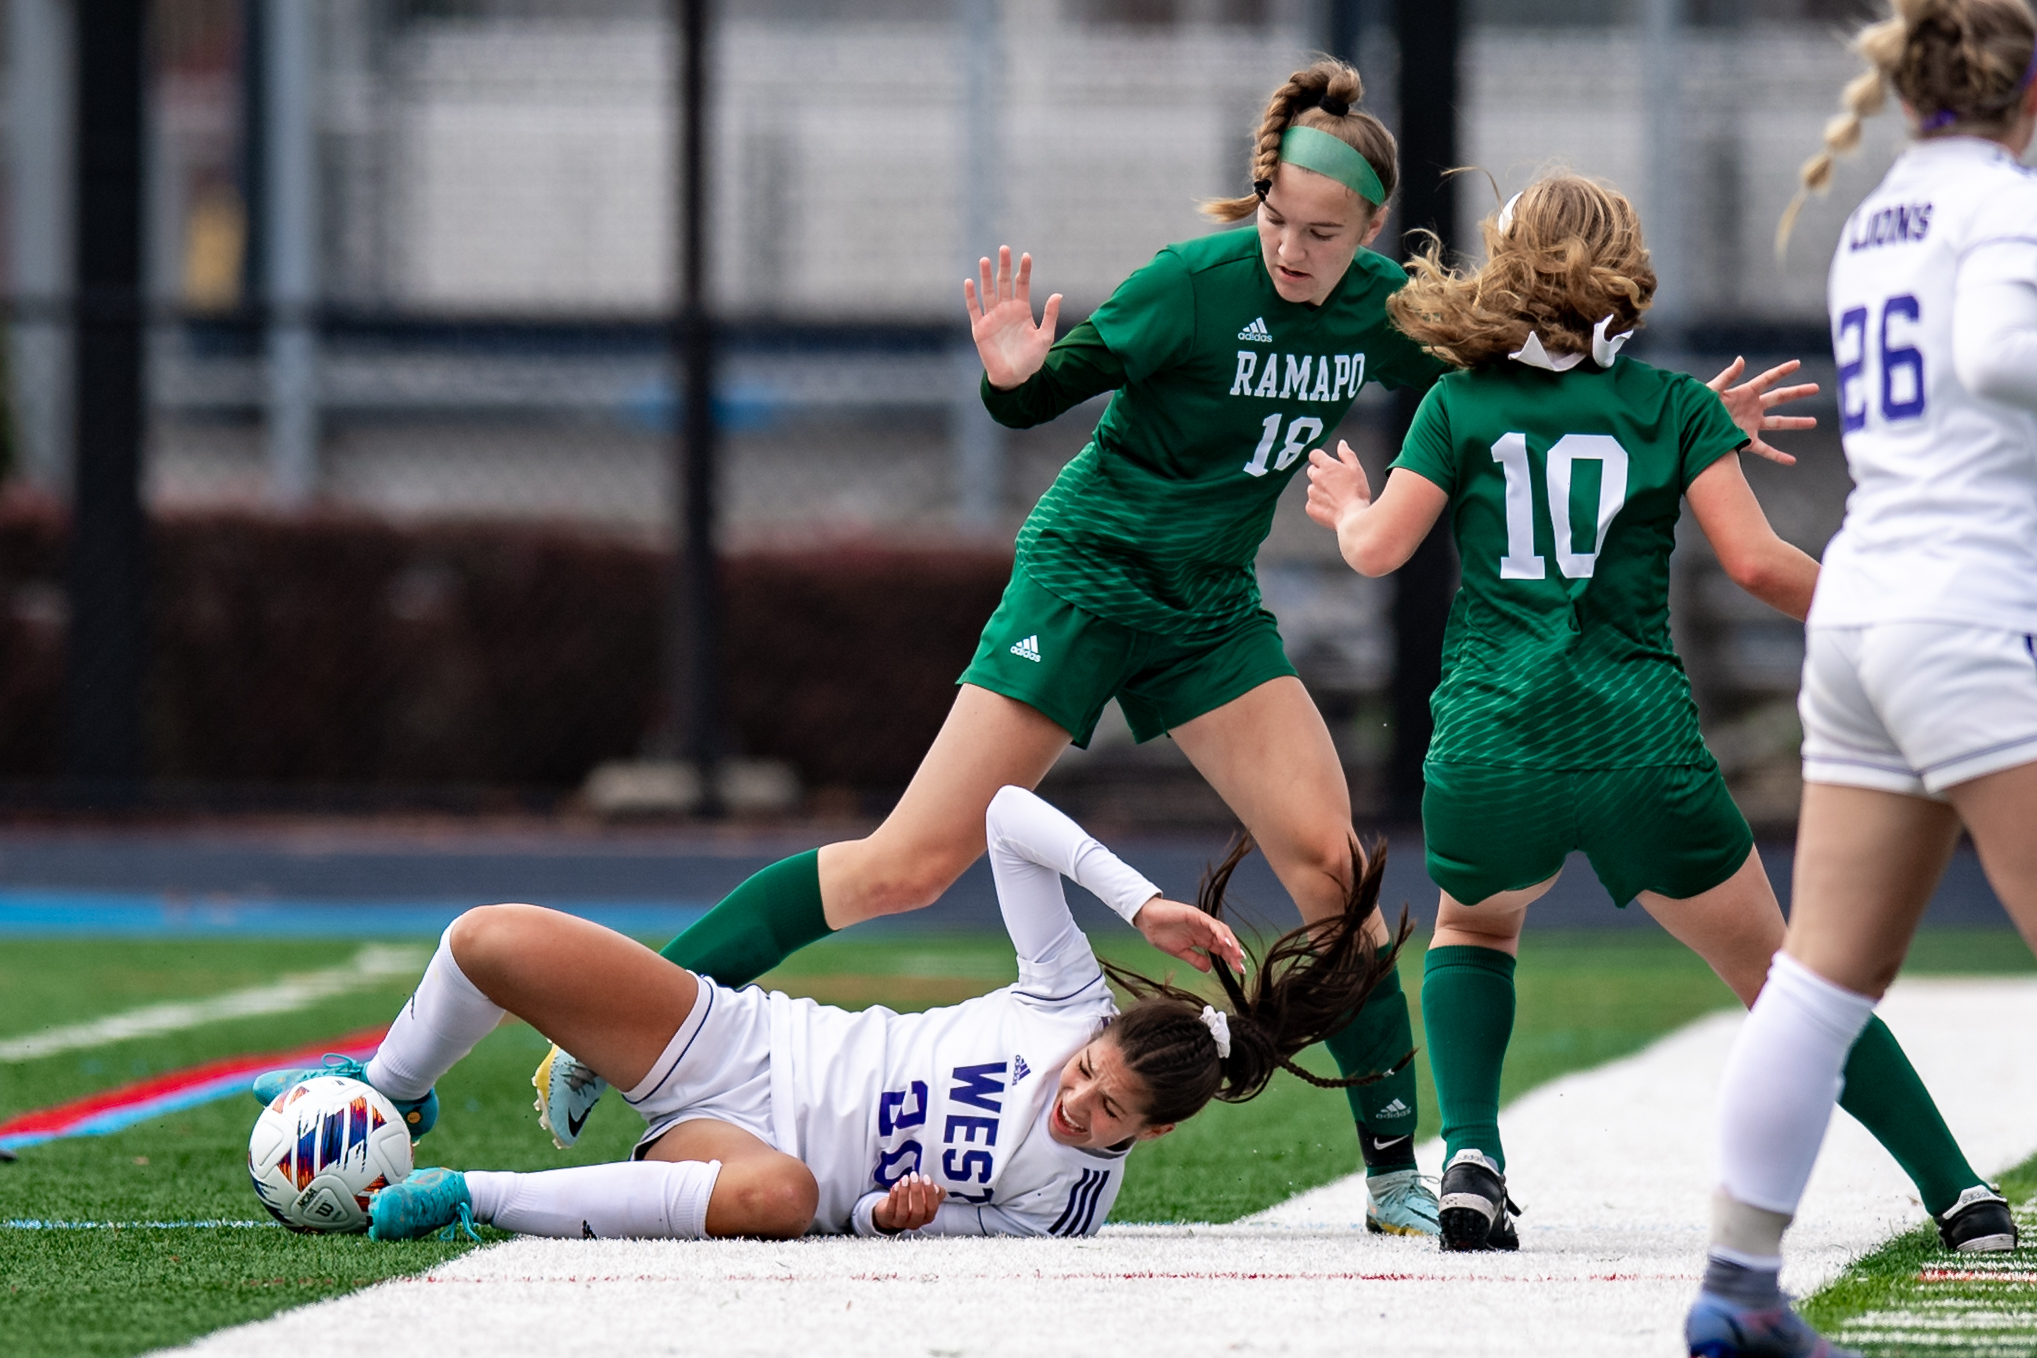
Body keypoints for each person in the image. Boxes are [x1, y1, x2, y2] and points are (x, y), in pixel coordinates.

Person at [534, 59, 1795, 1238]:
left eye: (1323, 232)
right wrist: (1014, 373)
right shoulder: (1191, 284)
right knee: (906, 865)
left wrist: (1680, 424)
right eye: (1278, 220)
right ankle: (625, 1012)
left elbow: (1539, 360)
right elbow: (1045, 385)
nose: (1292, 249)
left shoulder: (1387, 310)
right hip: (1085, 580)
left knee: (1337, 875)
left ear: (1371, 229)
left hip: (1207, 610)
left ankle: (1394, 1174)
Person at [1305, 173, 2013, 1261]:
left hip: (1494, 738)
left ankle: (1474, 1158)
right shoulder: (1674, 405)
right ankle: (1960, 1195)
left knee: (1476, 928)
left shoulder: (1458, 404)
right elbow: (1760, 565)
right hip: (1639, 745)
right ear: (1621, 271)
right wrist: (1896, 605)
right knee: (1788, 982)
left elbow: (1377, 549)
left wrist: (1351, 507)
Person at [254, 787, 1403, 1242]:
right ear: (1095, 1033)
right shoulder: (1066, 996)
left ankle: (470, 1193)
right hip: (735, 1038)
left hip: (749, 1158)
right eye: (1087, 1069)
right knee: (488, 938)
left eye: (1106, 1110)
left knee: (788, 1199)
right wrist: (1137, 899)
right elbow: (1008, 813)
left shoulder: (1065, 1207)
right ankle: (388, 1090)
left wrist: (889, 1214)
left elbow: (865, 1223)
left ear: (1153, 1131)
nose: (1078, 1097)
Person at [1686, 1, 2037, 1353]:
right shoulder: (2003, 203)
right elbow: (2000, 357)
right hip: (1964, 615)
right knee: (1823, 979)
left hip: (1863, 613)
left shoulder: (1879, 216)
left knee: (1821, 980)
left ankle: (1737, 1285)